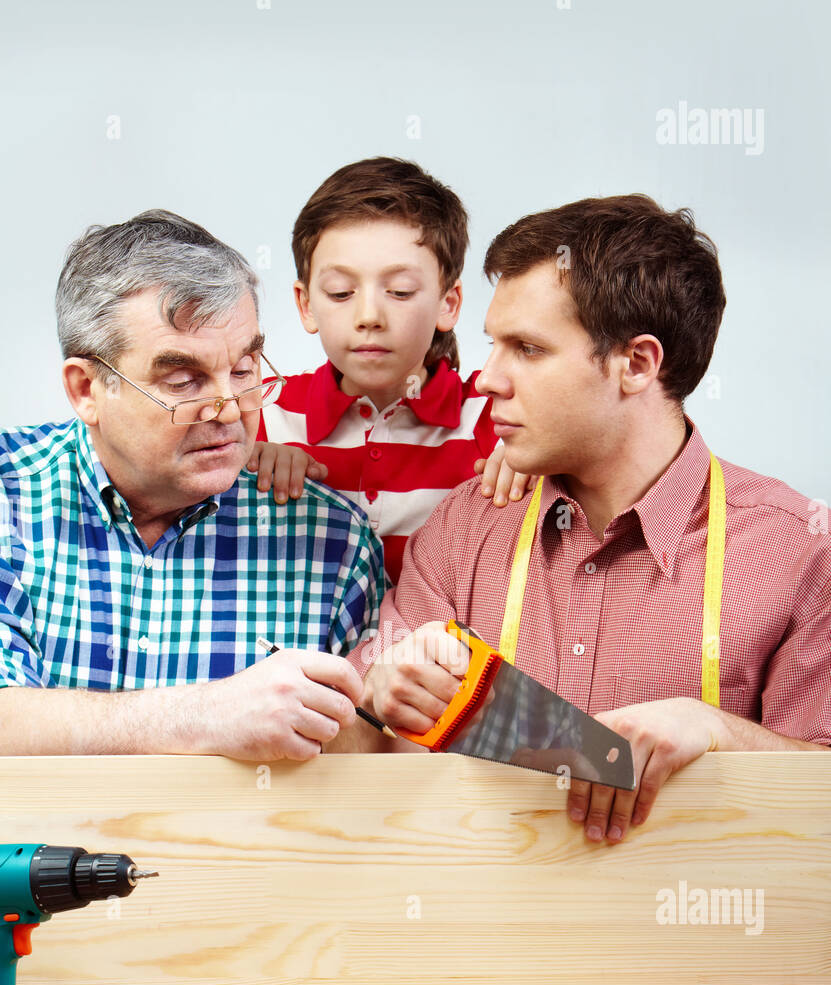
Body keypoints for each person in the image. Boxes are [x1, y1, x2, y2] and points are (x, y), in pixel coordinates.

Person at [342, 195, 831, 841]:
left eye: (527, 348)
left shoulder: (797, 550)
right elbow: (366, 781)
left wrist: (717, 731)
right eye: (493, 345)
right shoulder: (465, 528)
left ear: (635, 364)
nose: (485, 379)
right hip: (475, 932)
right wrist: (379, 698)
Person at [0, 209, 382, 760]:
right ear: (86, 389)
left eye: (246, 369)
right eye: (183, 380)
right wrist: (205, 716)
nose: (229, 410)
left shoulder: (332, 541)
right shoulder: (10, 495)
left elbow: (370, 759)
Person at [247, 156, 532, 582]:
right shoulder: (263, 410)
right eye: (341, 292)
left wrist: (540, 466)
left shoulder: (495, 417)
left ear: (447, 304)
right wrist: (241, 466)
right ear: (306, 305)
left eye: (399, 291)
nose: (369, 316)